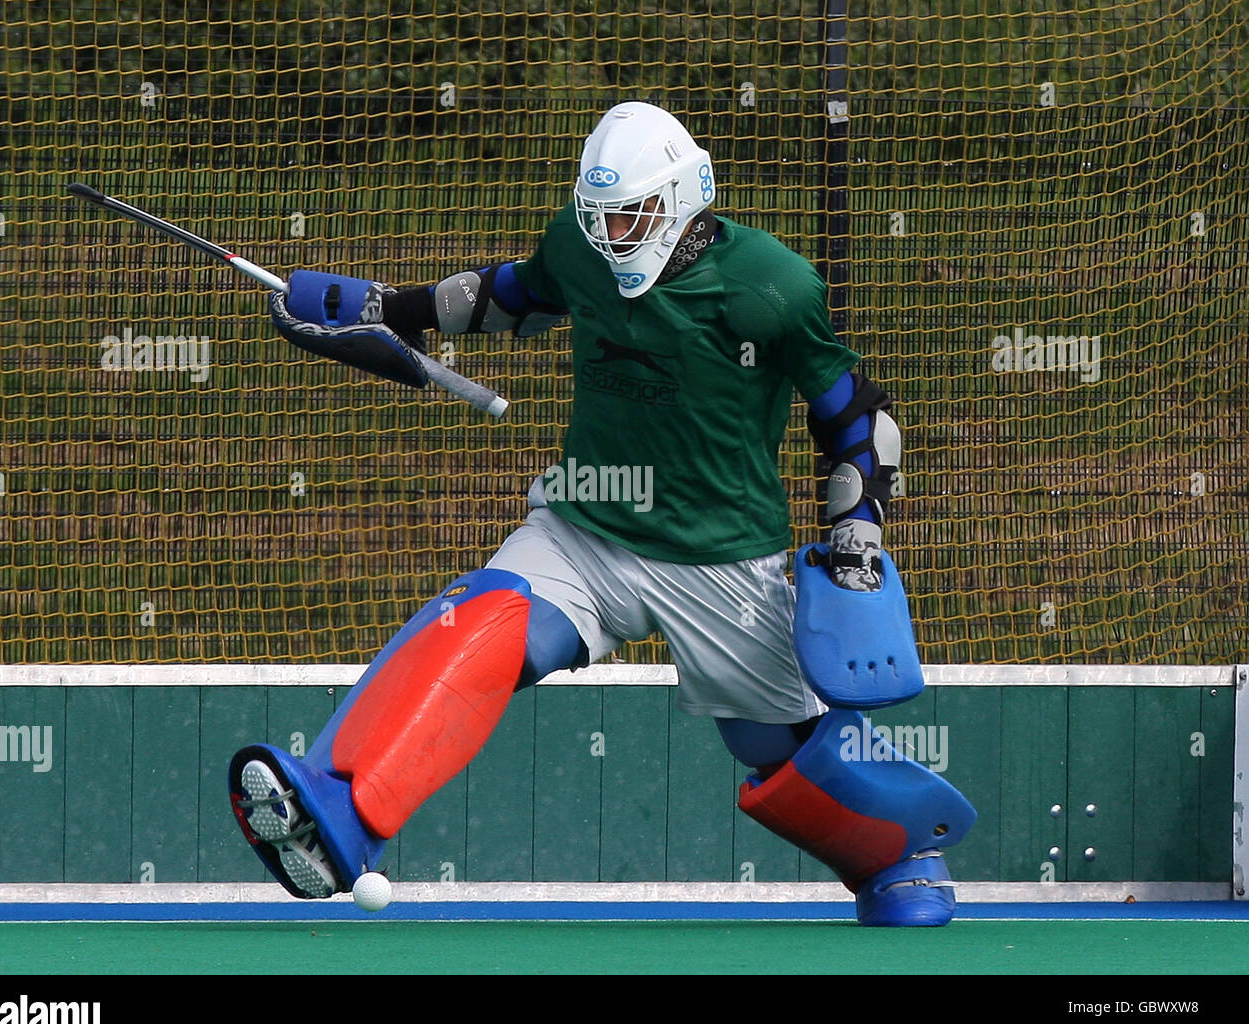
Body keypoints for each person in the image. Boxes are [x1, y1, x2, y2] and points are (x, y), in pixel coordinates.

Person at [229, 101, 975, 927]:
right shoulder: (583, 247)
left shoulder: (775, 287)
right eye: (601, 215)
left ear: (687, 196)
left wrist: (858, 528)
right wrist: (380, 309)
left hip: (725, 557)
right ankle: (335, 810)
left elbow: (858, 417)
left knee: (778, 747)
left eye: (634, 214)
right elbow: (509, 294)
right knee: (485, 623)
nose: (615, 234)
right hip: (589, 520)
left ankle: (901, 852)